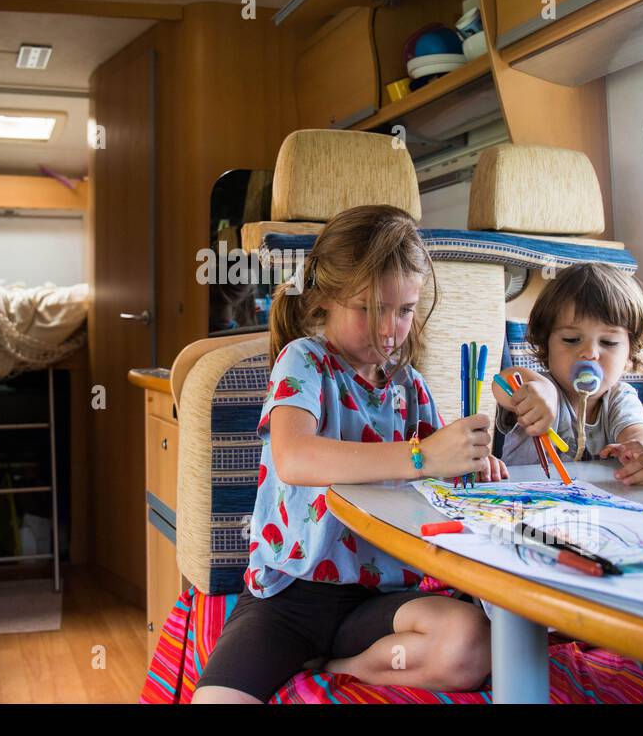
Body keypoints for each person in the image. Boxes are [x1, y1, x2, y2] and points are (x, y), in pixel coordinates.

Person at [191, 204, 507, 704]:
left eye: (403, 312)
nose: (388, 331)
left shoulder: (412, 387)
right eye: (369, 309)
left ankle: (340, 667)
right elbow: (296, 458)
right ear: (325, 300)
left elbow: (434, 490)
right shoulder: (305, 361)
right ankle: (319, 659)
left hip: (378, 604)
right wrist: (423, 455)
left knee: (470, 644)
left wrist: (470, 468)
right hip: (288, 598)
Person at [492, 263, 643, 484]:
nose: (589, 353)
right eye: (572, 340)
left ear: (630, 355)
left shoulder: (618, 399)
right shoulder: (539, 390)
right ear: (546, 344)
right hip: (528, 503)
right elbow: (502, 383)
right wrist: (539, 390)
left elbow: (639, 434)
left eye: (608, 342)